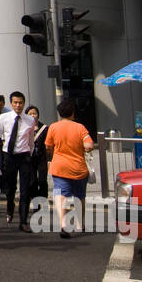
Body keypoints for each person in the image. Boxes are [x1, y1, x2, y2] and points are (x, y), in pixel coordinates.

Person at [45, 97, 94, 237]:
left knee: (60, 195)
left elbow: (48, 146)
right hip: (78, 167)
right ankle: (80, 224)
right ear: (73, 113)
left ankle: (63, 224)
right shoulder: (80, 127)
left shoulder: (53, 127)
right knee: (79, 196)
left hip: (59, 166)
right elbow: (89, 145)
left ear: (60, 113)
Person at [0, 91, 37, 231]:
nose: (18, 105)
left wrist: (29, 153)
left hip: (23, 156)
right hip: (8, 156)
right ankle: (10, 208)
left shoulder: (29, 120)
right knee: (10, 188)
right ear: (11, 103)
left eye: (21, 103)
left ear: (24, 104)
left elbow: (31, 140)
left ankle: (23, 221)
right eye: (15, 102)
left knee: (25, 190)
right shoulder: (4, 118)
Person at [27, 105, 50, 201]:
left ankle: (43, 198)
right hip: (29, 158)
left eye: (34, 113)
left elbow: (48, 144)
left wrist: (49, 159)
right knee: (32, 181)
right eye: (30, 114)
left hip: (42, 157)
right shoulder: (25, 128)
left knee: (42, 180)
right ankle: (35, 198)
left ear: (38, 115)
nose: (33, 115)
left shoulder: (44, 128)